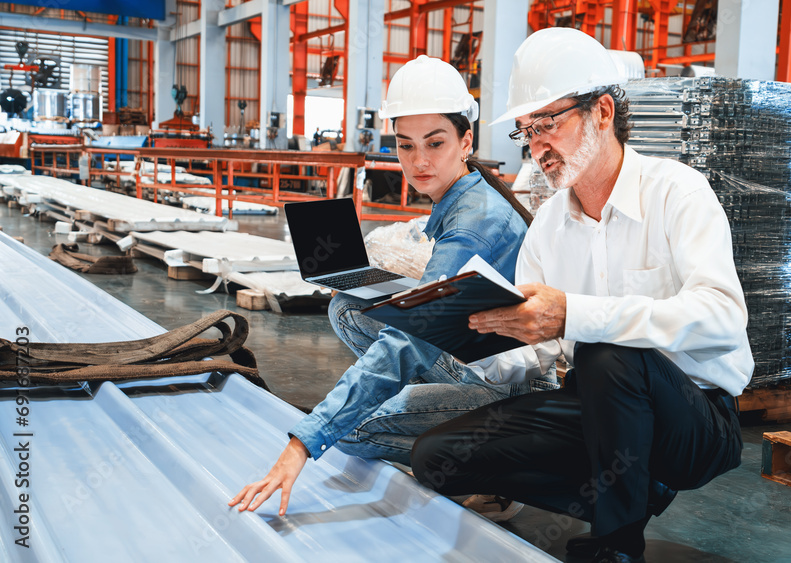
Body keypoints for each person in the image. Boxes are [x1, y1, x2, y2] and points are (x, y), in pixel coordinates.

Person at [410, 28, 753, 563]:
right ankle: (634, 492)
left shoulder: (677, 193)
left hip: (696, 421)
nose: (538, 146)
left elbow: (723, 318)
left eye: (549, 124)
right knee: (438, 457)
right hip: (602, 413)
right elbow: (539, 353)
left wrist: (572, 314)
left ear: (602, 112)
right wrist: (468, 342)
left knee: (604, 349)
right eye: (527, 131)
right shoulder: (548, 225)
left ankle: (616, 546)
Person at [230, 56, 553, 518]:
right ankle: (416, 410)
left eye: (435, 144)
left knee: (353, 430)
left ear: (465, 141)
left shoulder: (474, 224)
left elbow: (409, 339)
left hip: (510, 386)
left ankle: (493, 474)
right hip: (480, 351)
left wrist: (303, 443)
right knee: (348, 306)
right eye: (405, 146)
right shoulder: (470, 192)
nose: (419, 161)